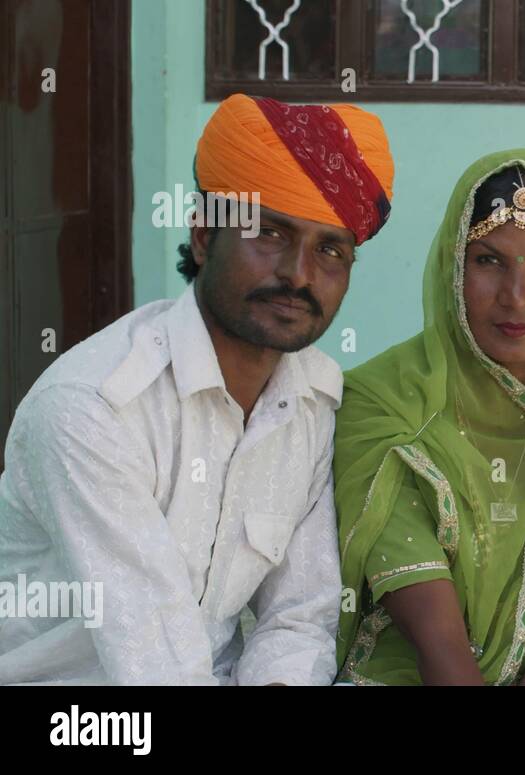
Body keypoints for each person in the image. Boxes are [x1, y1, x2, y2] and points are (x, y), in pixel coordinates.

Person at [0, 94, 395, 684]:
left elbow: (298, 618)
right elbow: (154, 659)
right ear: (206, 235)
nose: (298, 274)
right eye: (269, 233)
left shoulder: (312, 397)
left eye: (330, 250)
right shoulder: (94, 407)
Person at [332, 150, 525, 686]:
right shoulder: (382, 399)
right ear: (454, 265)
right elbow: (435, 637)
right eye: (489, 261)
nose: (517, 297)